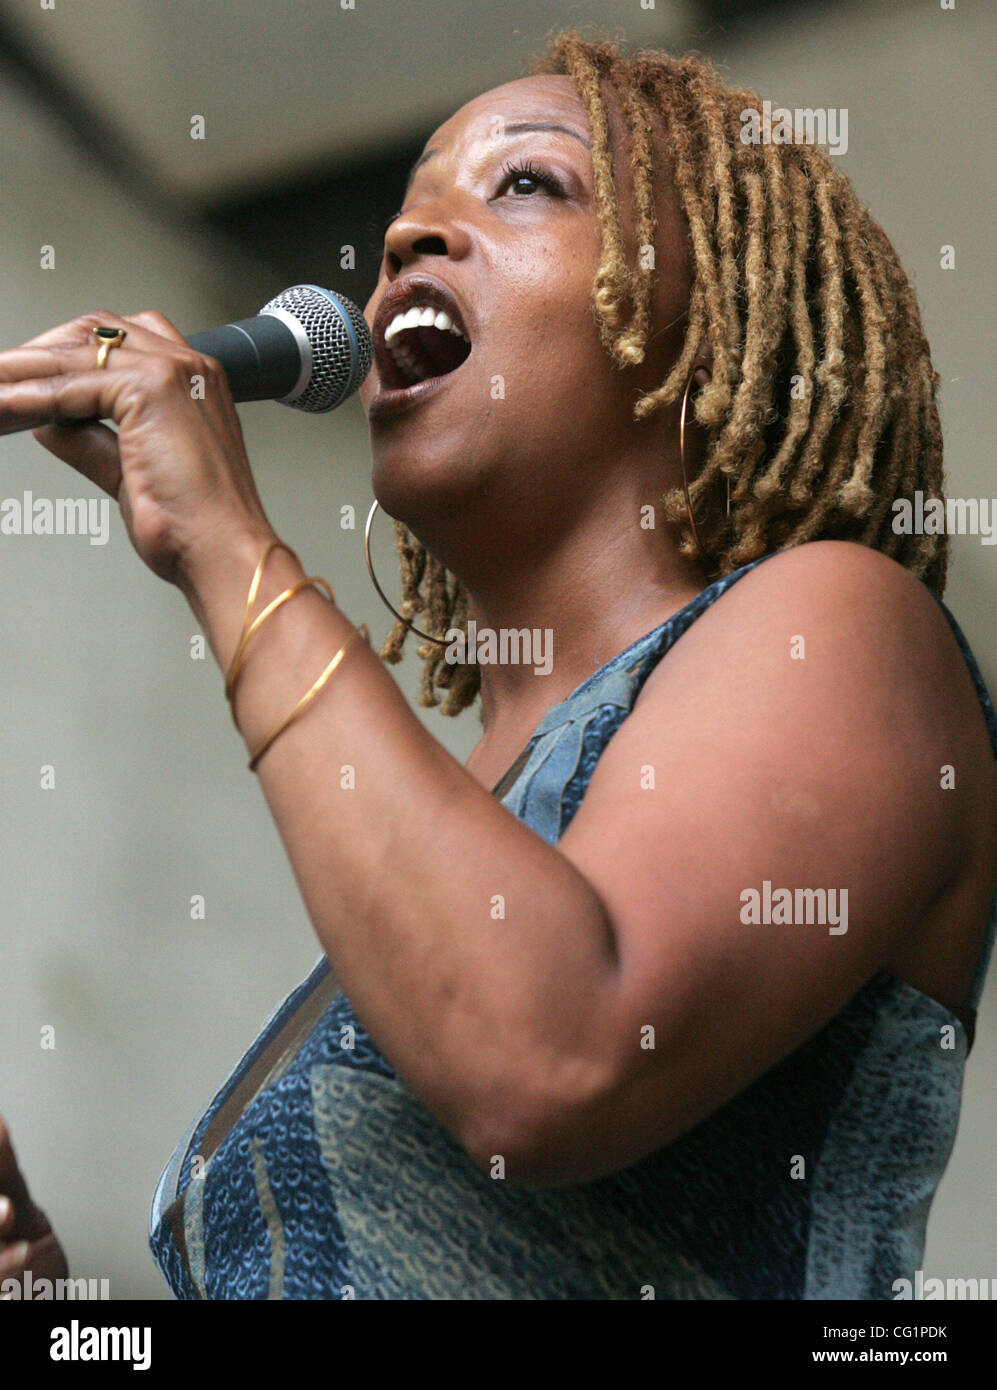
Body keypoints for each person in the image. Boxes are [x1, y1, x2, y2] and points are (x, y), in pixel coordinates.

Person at [1, 30, 995, 1300]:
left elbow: (552, 1055)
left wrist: (224, 538)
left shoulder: (849, 624)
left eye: (528, 183)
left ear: (718, 313)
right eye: (404, 208)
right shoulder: (449, 835)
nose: (410, 238)